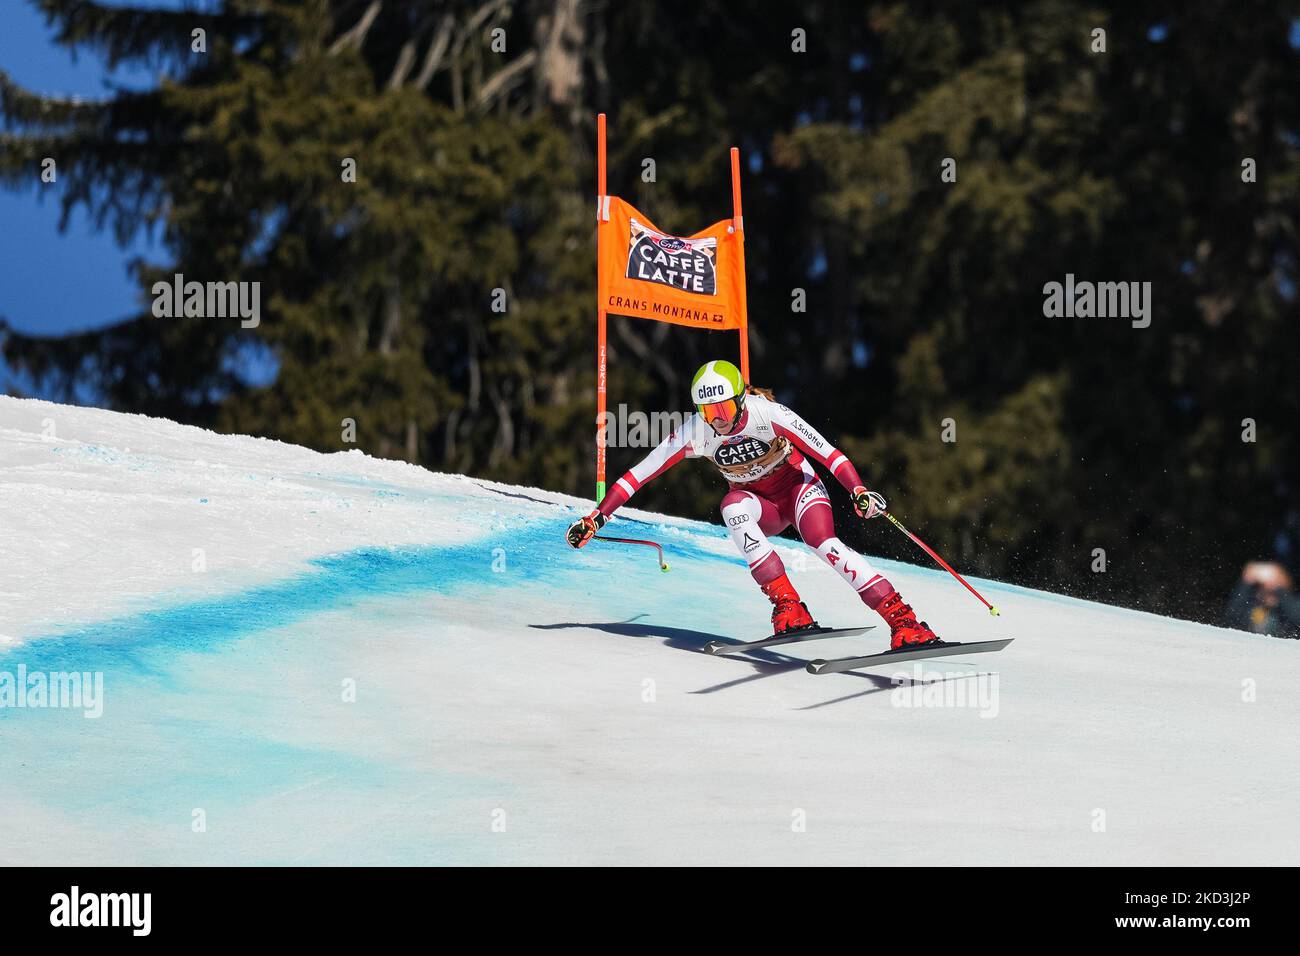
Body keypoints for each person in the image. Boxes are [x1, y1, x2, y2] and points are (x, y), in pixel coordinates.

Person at [566, 359, 939, 648]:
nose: (718, 421)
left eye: (724, 410)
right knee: (732, 506)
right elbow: (639, 474)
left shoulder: (769, 413)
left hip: (799, 492)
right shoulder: (695, 431)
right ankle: (788, 608)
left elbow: (830, 454)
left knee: (824, 545)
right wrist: (597, 518)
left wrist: (857, 490)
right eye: (708, 413)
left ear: (741, 399)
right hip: (762, 507)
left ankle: (904, 622)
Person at [1222, 561, 1300, 639]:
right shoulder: (1251, 604)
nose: (1267, 586)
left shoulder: (1288, 606)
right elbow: (1232, 616)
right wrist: (1247, 583)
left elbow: (1296, 617)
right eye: (1261, 585)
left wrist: (1280, 590)